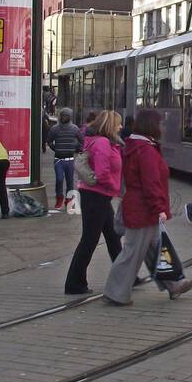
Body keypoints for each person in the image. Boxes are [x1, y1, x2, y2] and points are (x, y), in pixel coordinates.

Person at [101, 110, 192, 306]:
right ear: (152, 126)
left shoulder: (138, 146)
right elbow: (150, 183)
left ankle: (173, 283)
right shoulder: (146, 151)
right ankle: (115, 292)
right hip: (143, 210)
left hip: (140, 208)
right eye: (160, 123)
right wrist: (159, 207)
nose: (162, 127)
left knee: (157, 249)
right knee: (133, 252)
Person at [63, 110, 124, 293]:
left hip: (99, 195)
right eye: (118, 124)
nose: (121, 127)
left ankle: (126, 275)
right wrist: (114, 187)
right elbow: (103, 172)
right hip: (96, 195)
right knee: (89, 240)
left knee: (112, 237)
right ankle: (74, 283)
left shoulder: (99, 141)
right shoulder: (103, 143)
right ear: (110, 125)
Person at [46, 107, 82, 211]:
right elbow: (49, 140)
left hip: (70, 159)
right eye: (62, 115)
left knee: (70, 181)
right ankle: (59, 198)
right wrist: (55, 149)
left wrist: (76, 148)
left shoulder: (74, 129)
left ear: (70, 117)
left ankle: (69, 200)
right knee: (59, 179)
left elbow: (82, 140)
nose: (64, 117)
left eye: (66, 116)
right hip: (58, 159)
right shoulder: (55, 129)